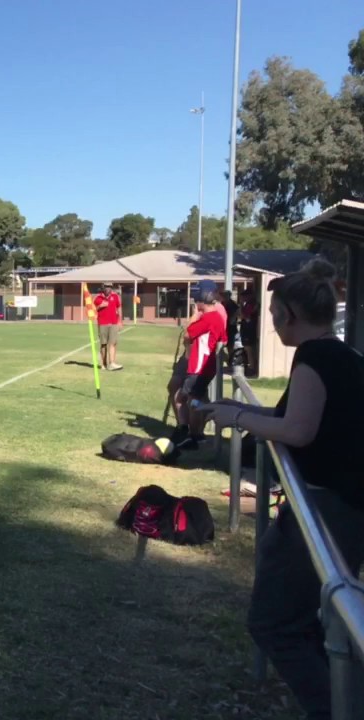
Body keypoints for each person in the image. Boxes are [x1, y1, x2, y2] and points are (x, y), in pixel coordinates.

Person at [199, 260, 364, 720]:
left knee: (275, 625)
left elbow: (299, 429)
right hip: (339, 507)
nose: (270, 324)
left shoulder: (316, 356)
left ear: (289, 314)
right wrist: (238, 407)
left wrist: (236, 419)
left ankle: (338, 709)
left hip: (331, 510)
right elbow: (299, 417)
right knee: (306, 623)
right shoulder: (340, 355)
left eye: (272, 315)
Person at [169, 280, 226, 449]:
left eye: (197, 298)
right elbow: (223, 339)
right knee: (196, 399)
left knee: (184, 399)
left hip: (198, 367)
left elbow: (187, 335)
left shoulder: (208, 318)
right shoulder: (218, 318)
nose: (195, 301)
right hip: (207, 367)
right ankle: (196, 432)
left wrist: (194, 317)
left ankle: (194, 435)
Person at [93, 282, 123, 370]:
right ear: (103, 287)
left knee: (113, 343)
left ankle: (112, 363)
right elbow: (93, 309)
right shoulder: (98, 298)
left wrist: (120, 321)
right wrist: (100, 306)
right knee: (103, 344)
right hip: (102, 323)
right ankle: (103, 364)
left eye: (109, 287)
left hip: (113, 323)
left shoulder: (115, 297)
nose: (108, 288)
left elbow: (119, 308)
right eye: (106, 286)